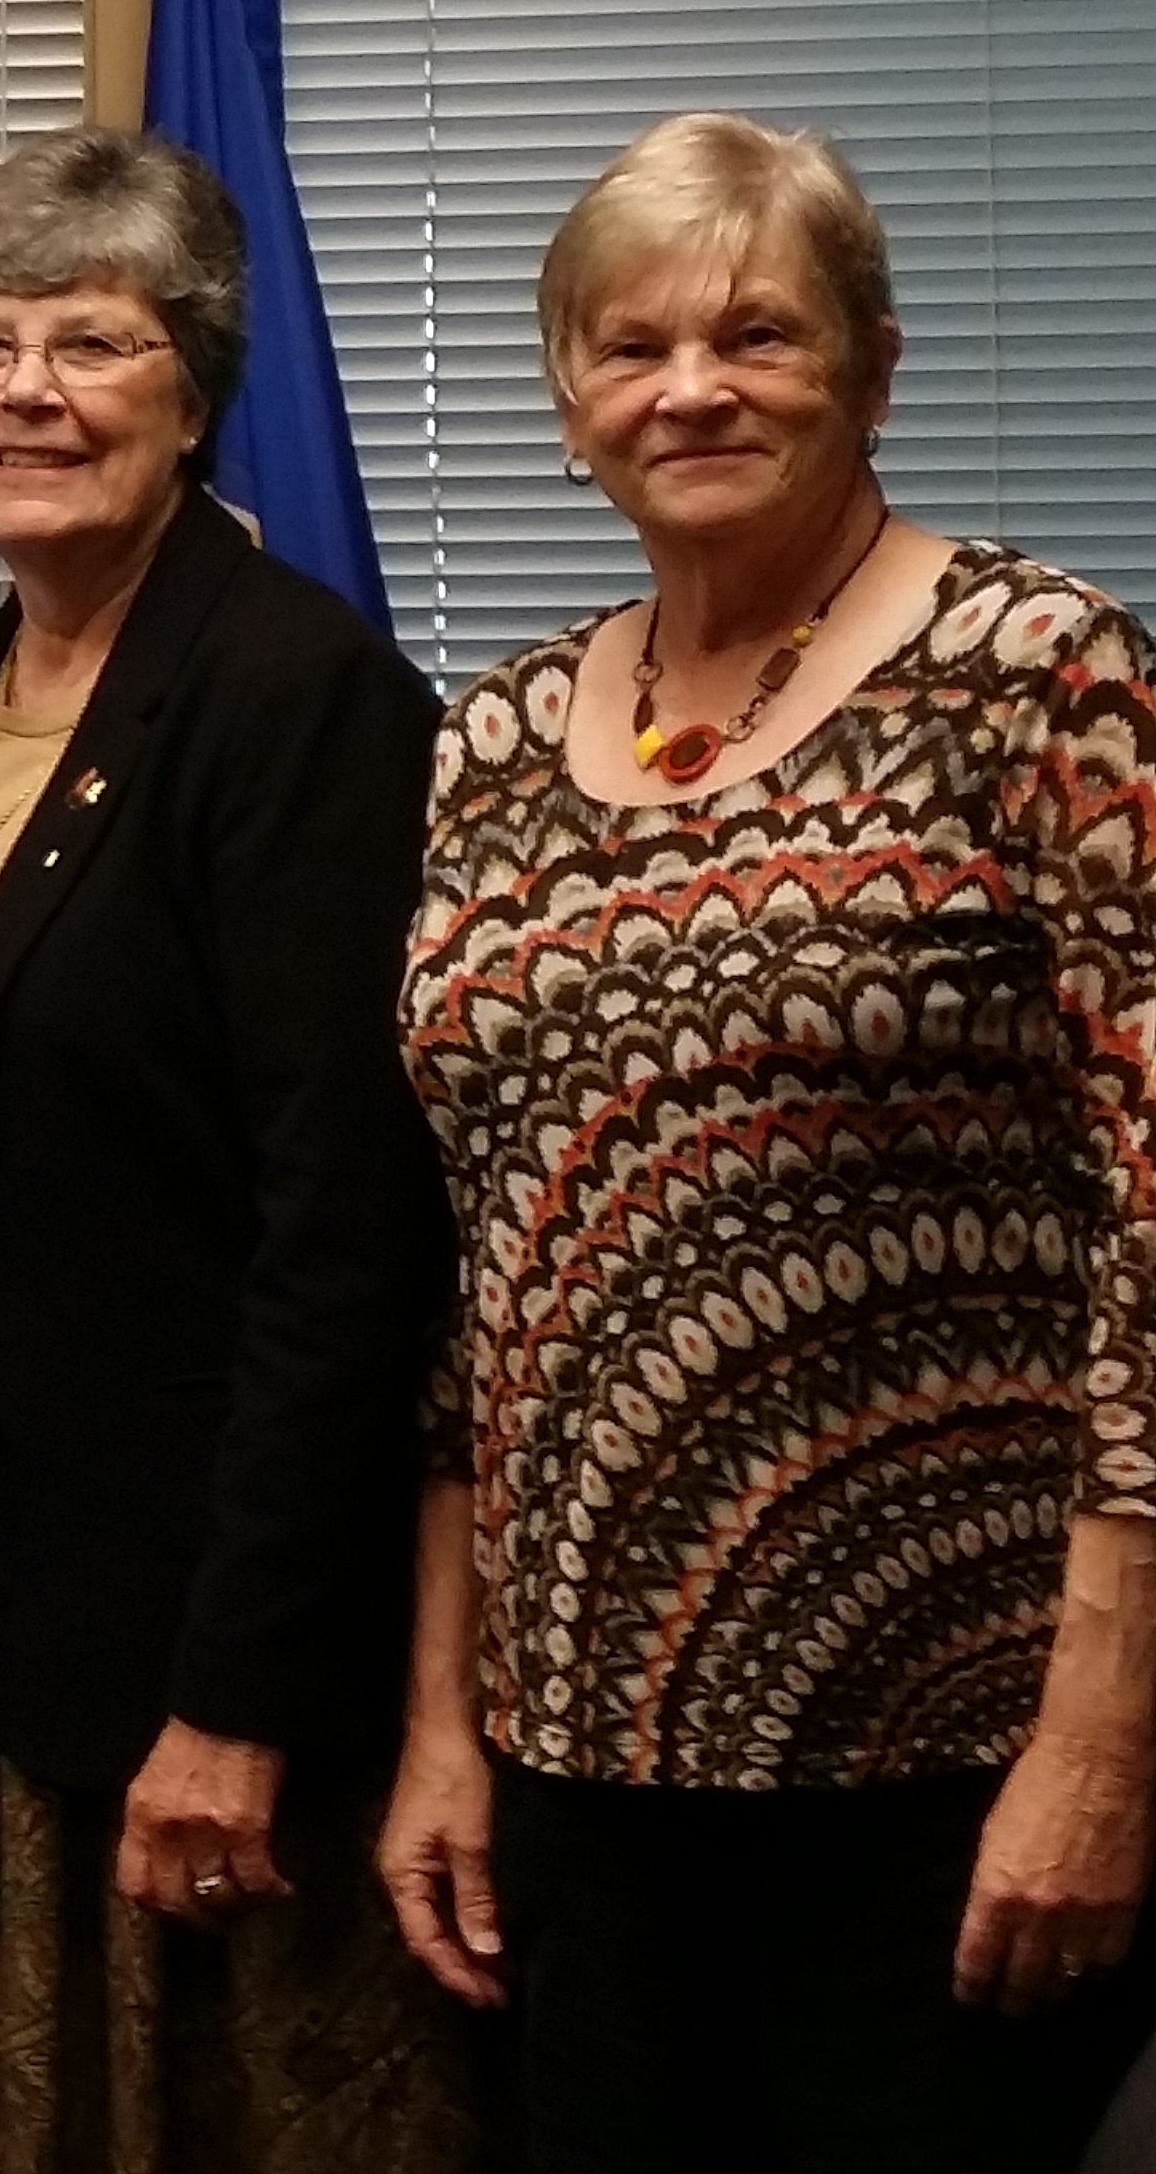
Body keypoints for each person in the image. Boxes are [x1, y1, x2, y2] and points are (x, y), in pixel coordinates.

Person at [382, 112, 1156, 2174]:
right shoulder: (490, 735)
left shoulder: (1041, 678)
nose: (692, 386)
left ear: (874, 368)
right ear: (569, 402)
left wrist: (1104, 1740)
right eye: (630, 346)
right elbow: (478, 1269)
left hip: (951, 1752)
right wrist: (442, 1723)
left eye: (759, 335)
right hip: (577, 1766)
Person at [0, 128, 479, 2174]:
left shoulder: (298, 696)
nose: (26, 392)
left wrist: (243, 1694)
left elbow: (347, 1228)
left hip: (199, 1585)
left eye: (90, 343)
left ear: (191, 389)